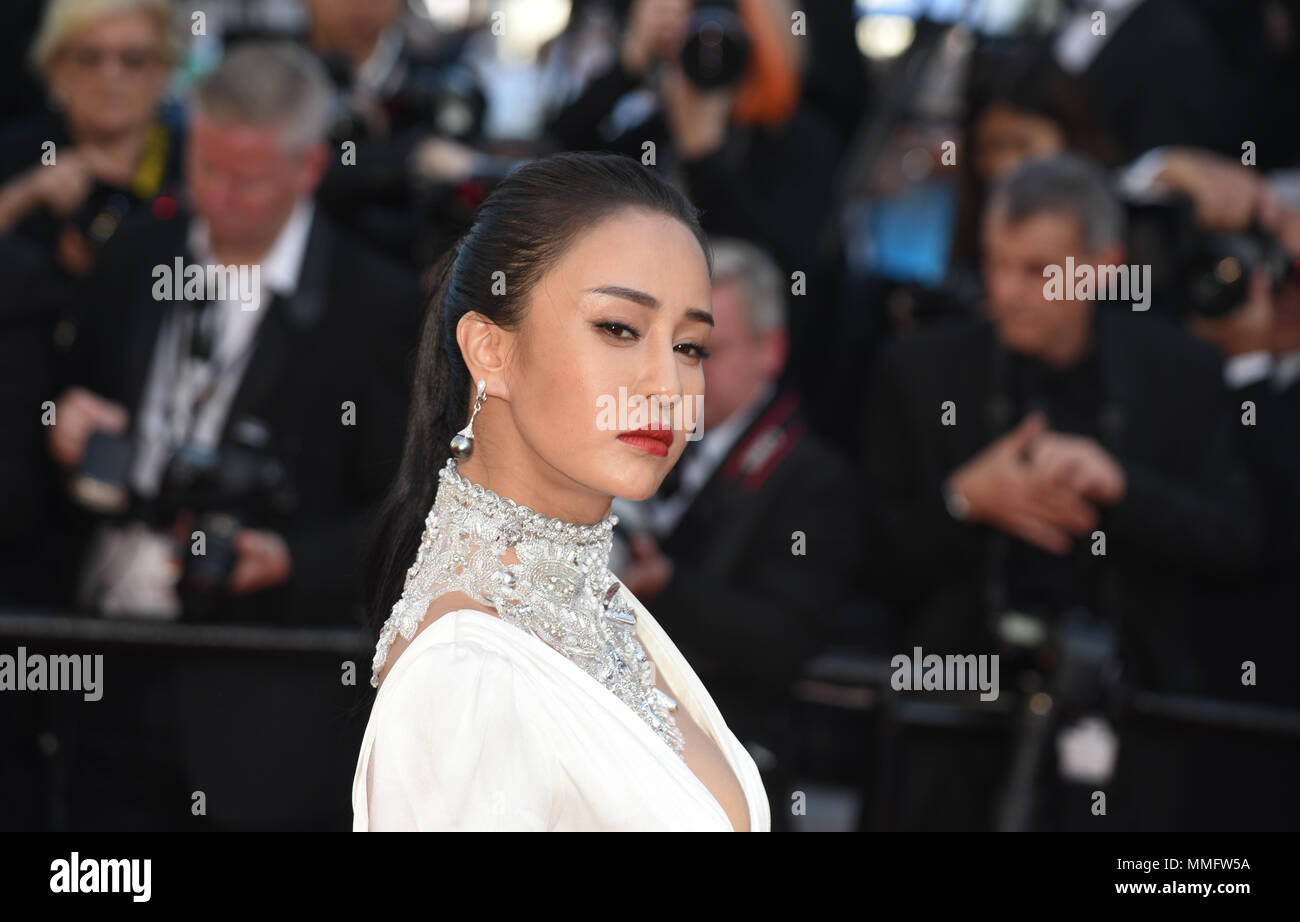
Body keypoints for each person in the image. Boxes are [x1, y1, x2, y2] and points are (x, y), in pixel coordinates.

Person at [354, 151, 771, 831]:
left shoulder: (603, 607)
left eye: (690, 346)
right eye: (618, 329)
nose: (667, 388)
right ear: (490, 351)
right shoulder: (464, 671)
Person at [861, 154, 1260, 829]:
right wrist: (964, 502)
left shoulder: (1180, 374)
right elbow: (863, 557)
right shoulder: (921, 371)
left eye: (1038, 271)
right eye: (995, 263)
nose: (1007, 291)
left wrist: (1122, 489)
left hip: (1128, 733)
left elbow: (1238, 540)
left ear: (1103, 265)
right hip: (950, 722)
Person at [618, 236, 865, 830]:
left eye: (705, 350)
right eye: (676, 348)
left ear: (770, 351)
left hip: (729, 779)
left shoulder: (813, 478)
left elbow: (781, 642)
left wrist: (665, 583)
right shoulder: (639, 436)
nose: (681, 372)